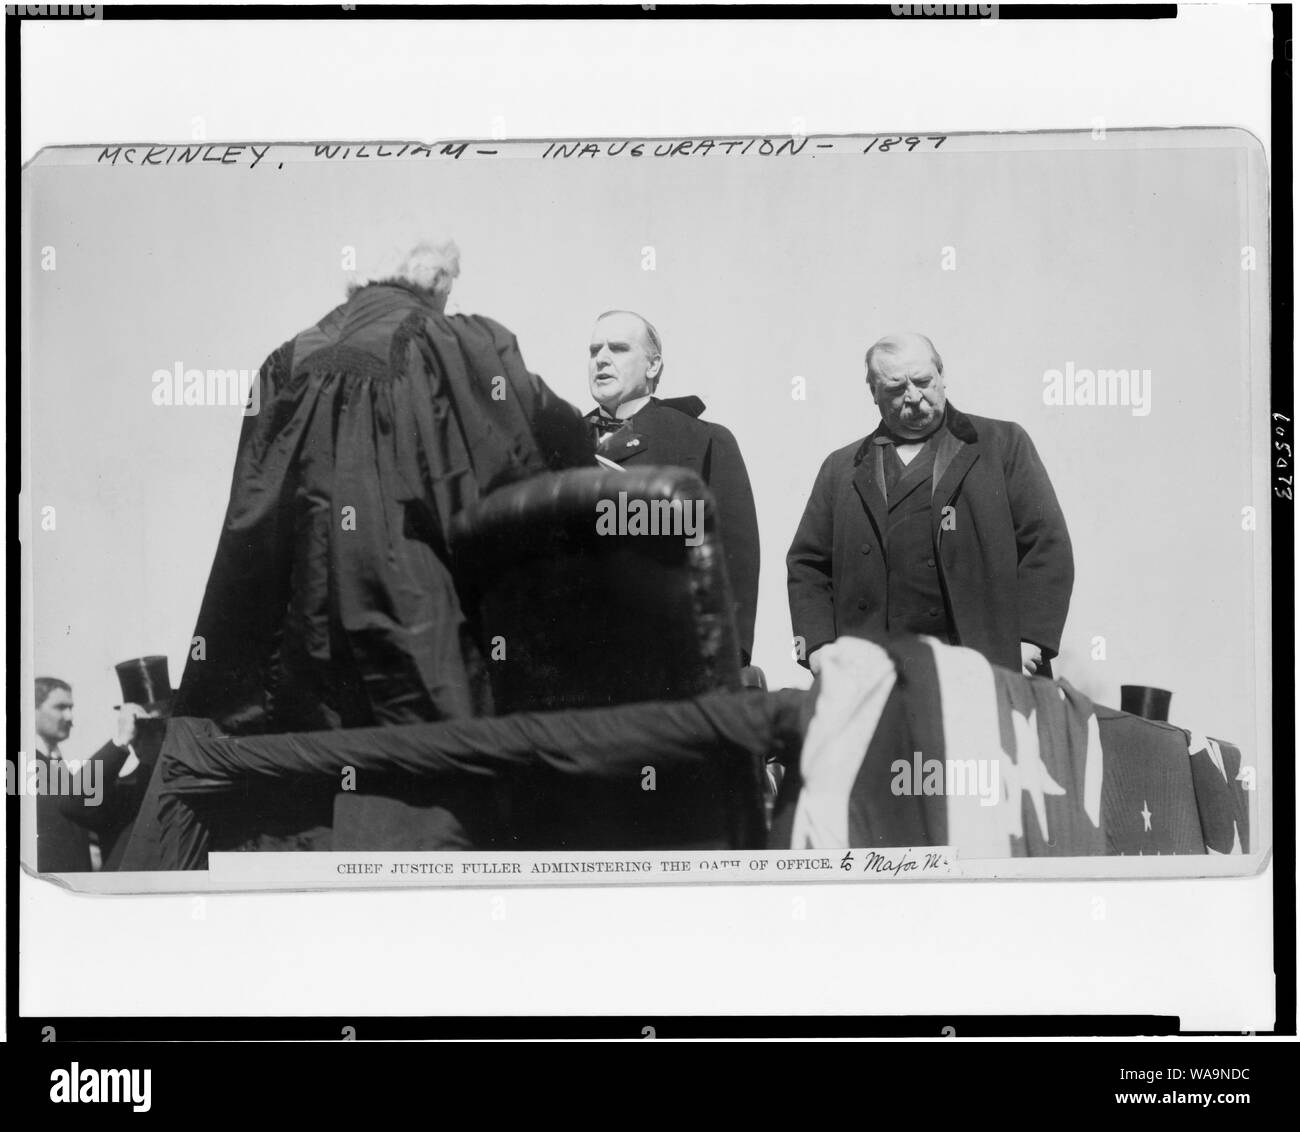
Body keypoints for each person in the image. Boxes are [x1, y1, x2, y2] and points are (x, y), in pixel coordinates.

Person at [167, 238, 594, 852]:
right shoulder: (452, 342)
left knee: (312, 813)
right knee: (438, 799)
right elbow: (529, 439)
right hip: (416, 626)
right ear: (439, 282)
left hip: (300, 647)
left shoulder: (285, 360)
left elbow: (251, 513)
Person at [787, 332, 1074, 678]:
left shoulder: (1002, 445)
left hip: (985, 669)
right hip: (872, 681)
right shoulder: (841, 467)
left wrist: (1031, 640)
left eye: (923, 381)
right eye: (895, 389)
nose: (914, 398)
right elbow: (807, 565)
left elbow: (1046, 545)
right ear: (873, 394)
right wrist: (816, 648)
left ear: (942, 376)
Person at [584, 309, 761, 663]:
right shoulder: (560, 443)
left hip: (669, 650)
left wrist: (730, 656)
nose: (601, 359)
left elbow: (735, 557)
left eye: (617, 348)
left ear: (653, 366)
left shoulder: (701, 440)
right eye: (594, 351)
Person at [32, 666, 167, 872]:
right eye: (60, 707)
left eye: (71, 708)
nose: (70, 717)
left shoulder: (61, 768)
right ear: (30, 709)